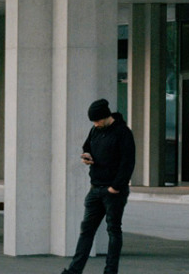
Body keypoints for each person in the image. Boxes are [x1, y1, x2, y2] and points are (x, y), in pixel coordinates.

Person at [61, 98, 136, 274]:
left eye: (97, 120)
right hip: (95, 188)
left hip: (113, 191)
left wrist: (116, 187)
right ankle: (74, 271)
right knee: (86, 230)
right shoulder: (95, 130)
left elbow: (128, 162)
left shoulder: (123, 132)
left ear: (105, 116)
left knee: (113, 230)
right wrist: (86, 155)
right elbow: (87, 146)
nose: (95, 124)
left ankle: (110, 271)